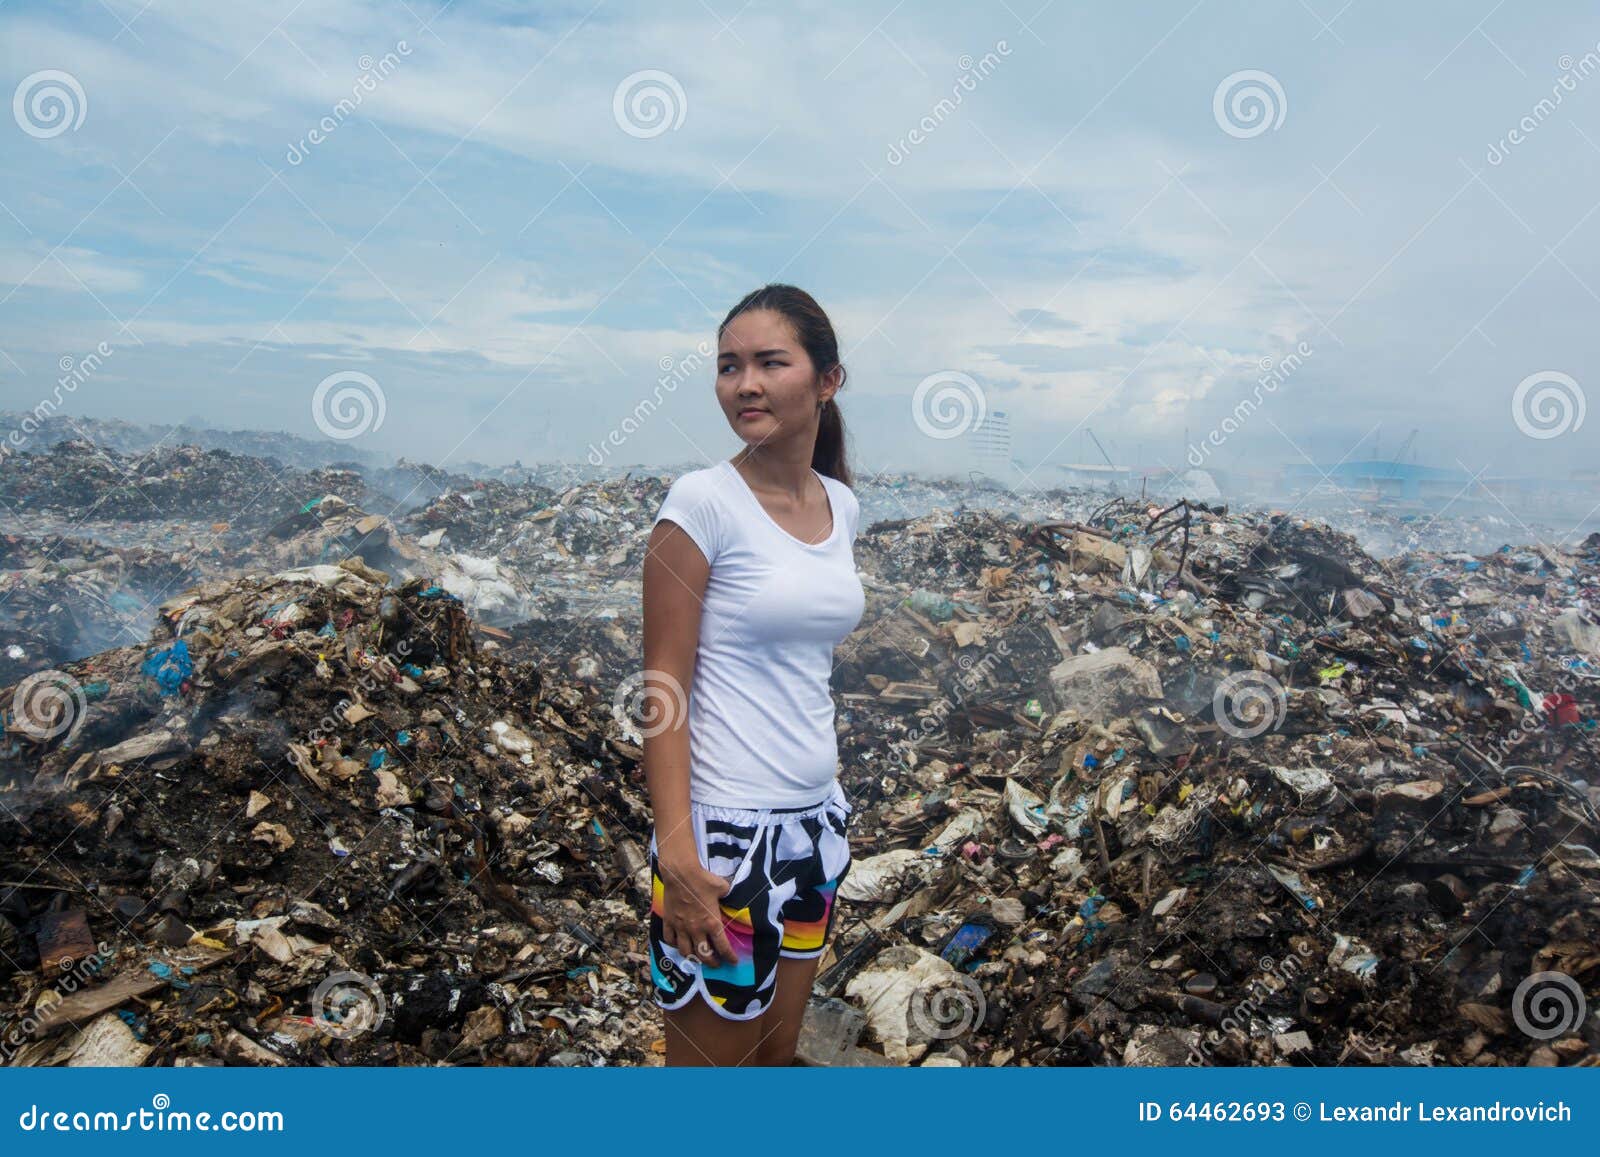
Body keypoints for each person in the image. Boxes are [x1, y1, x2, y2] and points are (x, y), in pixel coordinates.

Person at [640, 284, 865, 1066]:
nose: (746, 384)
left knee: (773, 1066)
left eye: (772, 362)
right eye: (730, 366)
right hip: (723, 843)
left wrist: (825, 817)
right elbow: (661, 688)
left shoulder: (841, 504)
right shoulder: (701, 504)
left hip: (812, 832)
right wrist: (678, 857)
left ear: (828, 379)